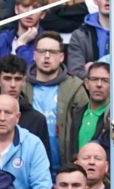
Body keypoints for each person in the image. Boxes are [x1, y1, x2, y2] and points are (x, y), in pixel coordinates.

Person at [24, 31, 87, 168]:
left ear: (61, 57)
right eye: (42, 51)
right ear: (34, 55)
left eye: (52, 52)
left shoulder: (75, 87)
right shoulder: (22, 87)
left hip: (65, 165)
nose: (46, 56)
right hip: (29, 164)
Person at [0, 94, 52, 189]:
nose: (2, 118)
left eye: (8, 113)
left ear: (17, 117)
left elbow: (42, 187)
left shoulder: (33, 144)